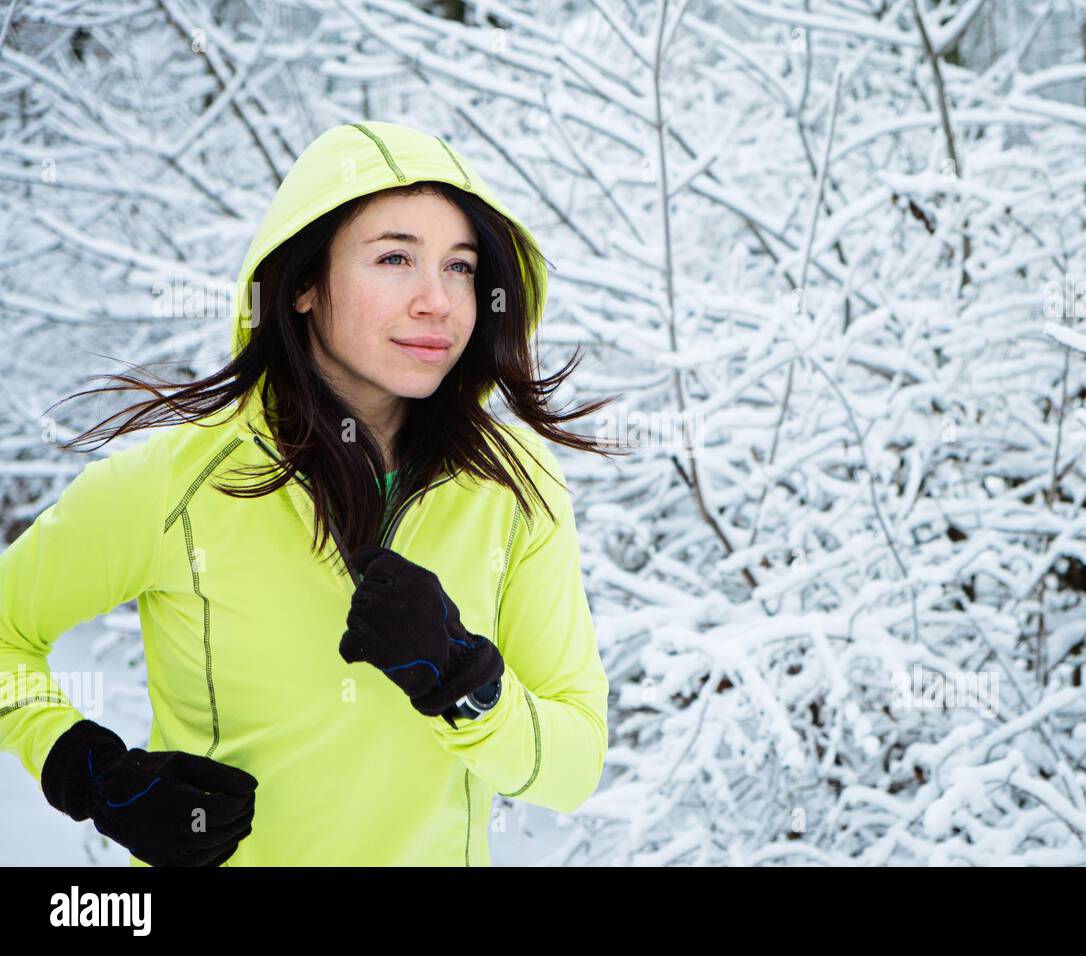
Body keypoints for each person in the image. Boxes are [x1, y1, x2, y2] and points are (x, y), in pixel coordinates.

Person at [0, 120, 621, 866]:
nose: (439, 301)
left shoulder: (513, 482)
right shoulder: (177, 483)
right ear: (301, 285)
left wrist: (465, 680)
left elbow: (575, 765)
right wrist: (92, 774)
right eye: (395, 258)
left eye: (460, 267)